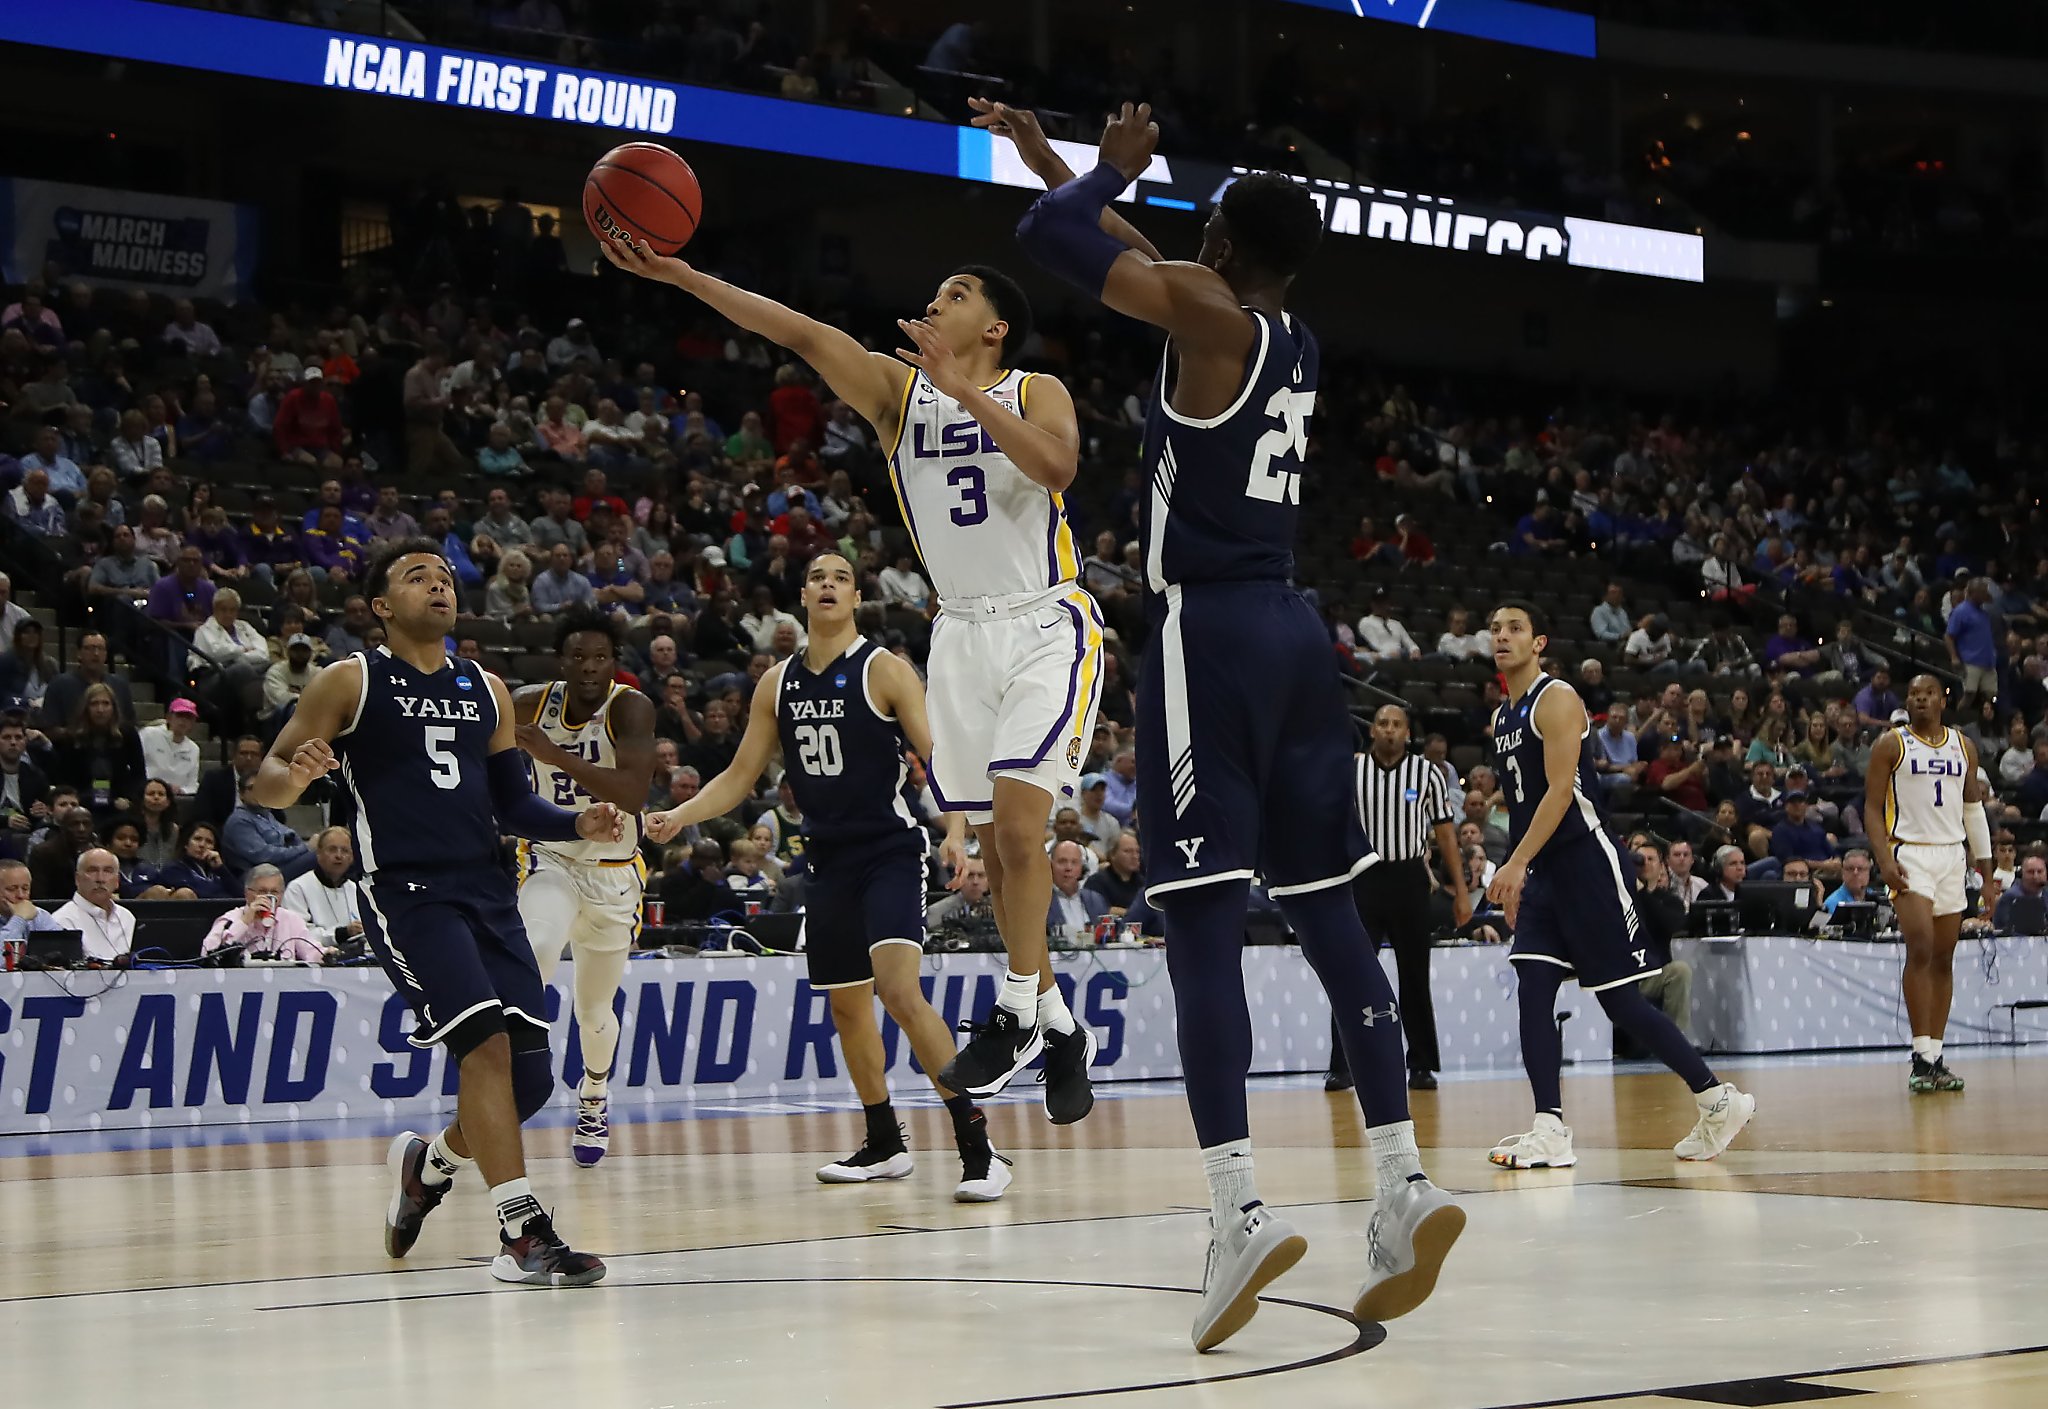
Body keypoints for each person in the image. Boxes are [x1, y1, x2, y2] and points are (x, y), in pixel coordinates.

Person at [998, 97, 1457, 1348]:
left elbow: (1052, 237)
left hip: (1205, 632)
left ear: (1217, 242)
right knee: (1321, 907)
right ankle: (1402, 1178)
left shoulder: (1201, 311)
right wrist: (1075, 170)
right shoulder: (1287, 333)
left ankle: (1235, 1203)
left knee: (1200, 916)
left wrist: (1089, 174)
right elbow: (1147, 265)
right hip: (1299, 636)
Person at [605, 198, 1103, 1128]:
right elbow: (794, 329)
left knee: (1026, 831)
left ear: (991, 326)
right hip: (958, 631)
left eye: (955, 294)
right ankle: (1057, 1020)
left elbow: (1057, 472)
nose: (935, 299)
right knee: (997, 845)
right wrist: (680, 276)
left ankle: (1017, 1006)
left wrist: (965, 390)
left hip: (1043, 619)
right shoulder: (891, 392)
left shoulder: (1034, 390)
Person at [256, 537, 620, 1286]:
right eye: (418, 576)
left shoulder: (485, 687)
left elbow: (513, 801)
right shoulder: (348, 679)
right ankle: (523, 1234)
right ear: (382, 606)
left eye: (446, 576)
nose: (439, 585)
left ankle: (430, 1165)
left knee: (530, 1082)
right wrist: (292, 779)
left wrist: (573, 824)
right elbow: (263, 780)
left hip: (490, 890)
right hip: (409, 892)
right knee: (482, 1045)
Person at [646, 554, 1011, 1199]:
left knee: (899, 991)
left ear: (856, 595)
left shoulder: (884, 669)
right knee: (847, 1005)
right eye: (816, 576)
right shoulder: (776, 684)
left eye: (840, 577)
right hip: (827, 858)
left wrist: (957, 831)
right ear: (802, 594)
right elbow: (738, 777)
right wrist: (678, 816)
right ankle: (883, 1141)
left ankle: (977, 1142)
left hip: (889, 851)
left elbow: (941, 758)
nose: (827, 585)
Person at [1482, 600, 1753, 1172]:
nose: (1502, 637)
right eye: (1495, 630)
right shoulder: (1503, 717)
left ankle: (1716, 1098)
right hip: (1545, 874)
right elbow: (1523, 805)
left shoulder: (1555, 699)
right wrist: (1520, 877)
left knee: (1621, 1002)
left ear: (1539, 643)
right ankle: (1549, 1127)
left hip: (1587, 864)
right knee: (1533, 986)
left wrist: (1515, 865)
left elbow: (1560, 794)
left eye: (1514, 629)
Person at [510, 607, 656, 1169]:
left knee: (594, 1011)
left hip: (615, 875)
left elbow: (633, 792)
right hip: (552, 857)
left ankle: (593, 1095)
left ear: (613, 661)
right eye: (577, 657)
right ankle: (508, 1081)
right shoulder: (528, 702)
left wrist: (553, 755)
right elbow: (481, 735)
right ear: (560, 660)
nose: (589, 667)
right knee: (535, 953)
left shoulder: (631, 706)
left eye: (599, 657)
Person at [1864, 674, 1991, 1093]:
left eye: (1928, 693)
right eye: (1914, 694)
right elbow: (1870, 807)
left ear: (1942, 700)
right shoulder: (1891, 744)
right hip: (1909, 852)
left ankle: (1936, 1056)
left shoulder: (1963, 745)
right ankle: (1920, 1056)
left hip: (1952, 854)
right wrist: (1883, 859)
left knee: (1943, 956)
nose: (1920, 699)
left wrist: (1987, 872)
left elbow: (1973, 808)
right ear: (1907, 701)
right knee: (1919, 945)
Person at [1338, 704, 1471, 1094]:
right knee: (1352, 975)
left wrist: (1460, 891)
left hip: (1410, 878)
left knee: (1414, 975)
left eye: (1397, 724)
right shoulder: (1352, 771)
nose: (1390, 730)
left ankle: (1422, 1064)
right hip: (1363, 877)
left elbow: (1446, 834)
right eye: (1383, 723)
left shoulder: (1426, 773)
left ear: (1408, 733)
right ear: (1373, 730)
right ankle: (1342, 1064)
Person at [203, 864, 334, 962]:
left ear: (282, 895)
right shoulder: (230, 919)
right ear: (247, 893)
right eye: (262, 891)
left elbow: (311, 952)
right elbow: (206, 953)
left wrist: (328, 953)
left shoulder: (291, 920)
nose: (268, 897)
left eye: (274, 892)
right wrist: (244, 922)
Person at [52, 847, 135, 962]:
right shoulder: (62, 921)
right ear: (77, 879)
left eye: (107, 871)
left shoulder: (127, 918)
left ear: (117, 881)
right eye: (92, 870)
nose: (100, 879)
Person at [284, 825, 365, 939]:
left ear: (352, 857)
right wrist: (342, 933)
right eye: (332, 849)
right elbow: (298, 935)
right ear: (318, 854)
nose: (339, 856)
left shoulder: (355, 889)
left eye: (345, 851)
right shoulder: (298, 888)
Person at [139, 699, 203, 795]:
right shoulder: (148, 734)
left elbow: (192, 784)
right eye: (180, 715)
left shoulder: (194, 749)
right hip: (146, 793)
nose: (184, 720)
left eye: (189, 717)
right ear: (169, 717)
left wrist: (182, 790)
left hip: (176, 798)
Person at [0, 857, 64, 942]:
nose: (21, 895)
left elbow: (62, 948)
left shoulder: (40, 916)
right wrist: (19, 919)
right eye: (11, 889)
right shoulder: (22, 917)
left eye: (25, 889)